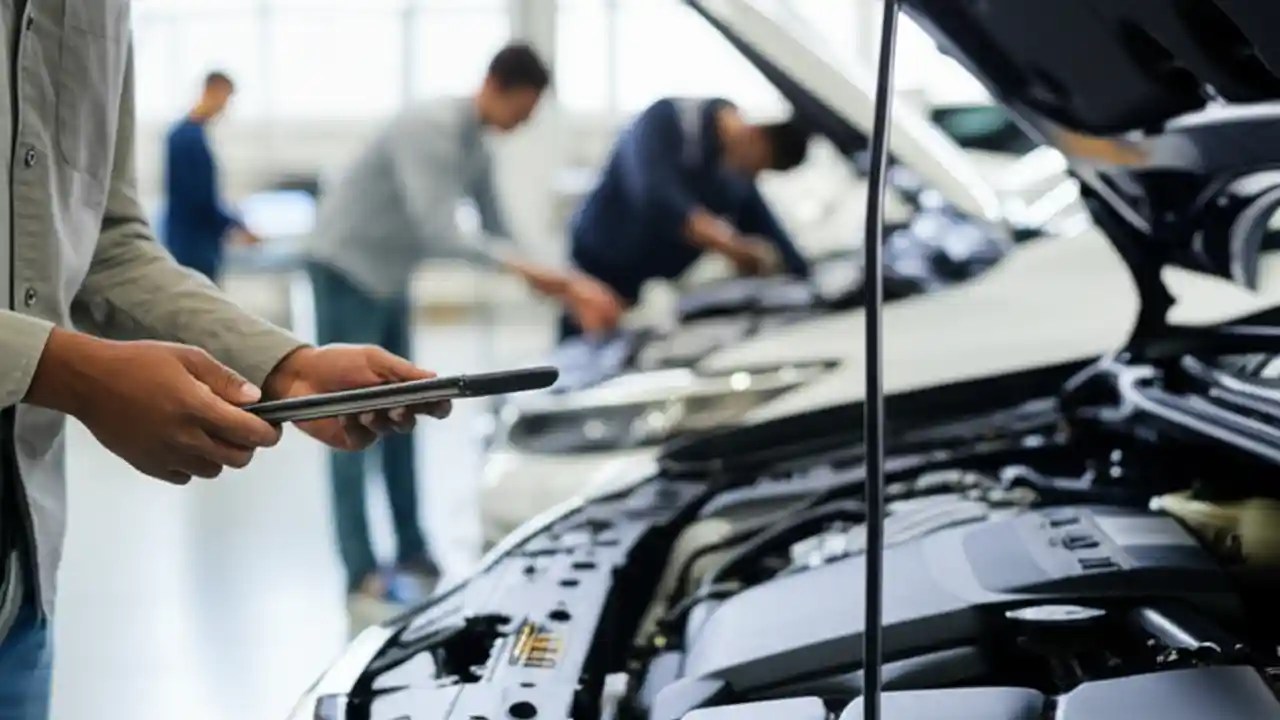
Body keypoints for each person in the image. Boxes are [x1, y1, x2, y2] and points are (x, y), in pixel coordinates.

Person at [0, 4, 454, 717]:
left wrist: (285, 365)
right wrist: (68, 370)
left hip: (21, 581)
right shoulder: (188, 138)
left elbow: (104, 242)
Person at [305, 43, 622, 627]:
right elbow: (440, 231)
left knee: (401, 413)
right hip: (347, 270)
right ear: (500, 86)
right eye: (524, 111)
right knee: (345, 422)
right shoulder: (430, 127)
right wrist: (546, 279)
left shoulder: (476, 140)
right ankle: (360, 571)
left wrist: (573, 282)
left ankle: (414, 551)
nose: (523, 124)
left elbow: (501, 228)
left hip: (389, 276)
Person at [564, 97, 814, 337]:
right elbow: (659, 199)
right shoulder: (666, 121)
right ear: (756, 136)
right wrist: (733, 248)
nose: (752, 175)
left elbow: (763, 225)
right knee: (580, 353)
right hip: (596, 264)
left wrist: (806, 277)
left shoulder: (733, 170)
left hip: (639, 280)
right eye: (757, 167)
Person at [160, 71, 259, 282]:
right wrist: (236, 226)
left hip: (194, 243)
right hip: (193, 247)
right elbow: (199, 199)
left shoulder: (190, 136)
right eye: (226, 98)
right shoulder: (187, 140)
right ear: (212, 91)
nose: (225, 107)